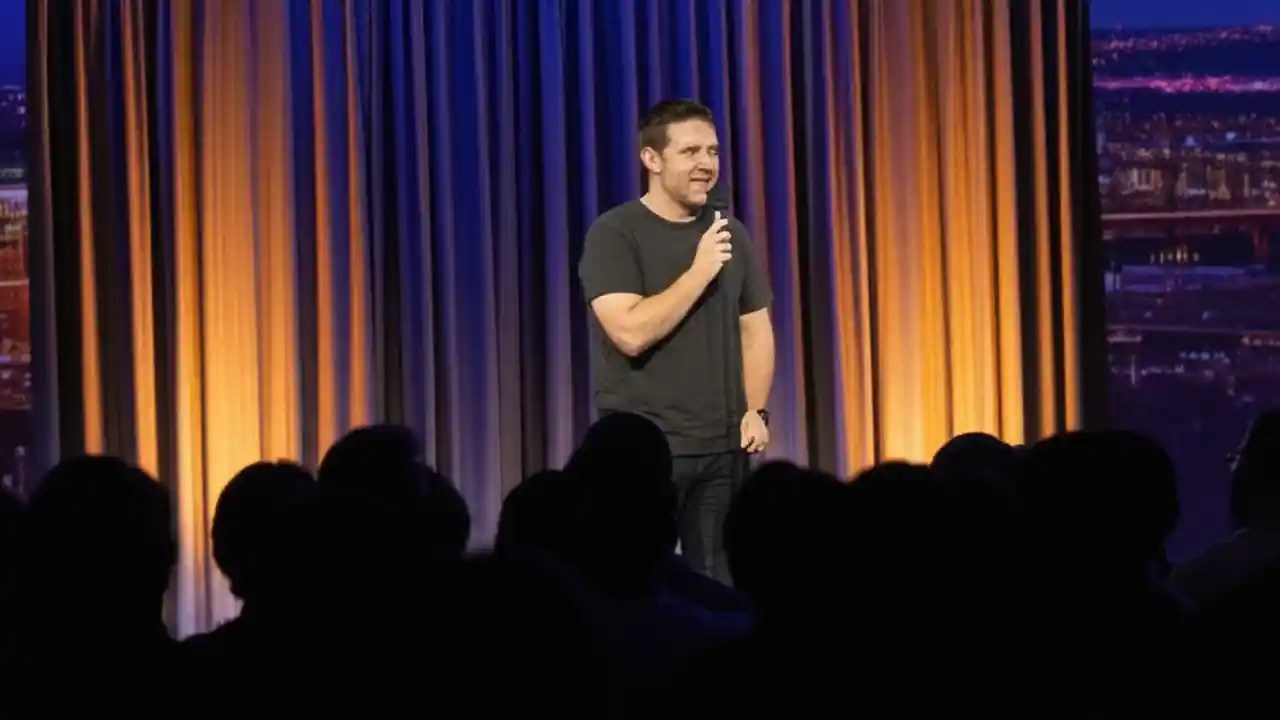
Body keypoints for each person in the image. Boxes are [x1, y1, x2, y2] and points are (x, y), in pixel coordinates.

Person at [577, 98, 775, 586]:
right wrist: (700, 270)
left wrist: (757, 409)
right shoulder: (615, 233)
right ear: (652, 159)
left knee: (718, 583)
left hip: (723, 447)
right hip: (647, 448)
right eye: (690, 152)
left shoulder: (730, 234)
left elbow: (755, 326)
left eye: (712, 152)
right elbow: (630, 333)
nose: (706, 164)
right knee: (633, 581)